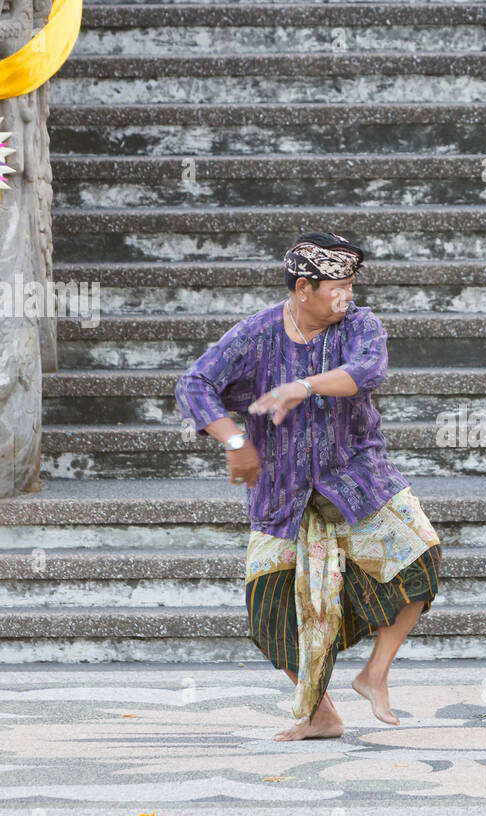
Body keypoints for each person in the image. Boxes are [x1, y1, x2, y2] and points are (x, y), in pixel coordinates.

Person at [173, 232, 442, 741]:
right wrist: (233, 440)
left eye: (351, 284)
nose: (348, 295)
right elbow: (194, 384)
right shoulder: (257, 334)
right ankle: (321, 715)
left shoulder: (360, 324)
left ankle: (375, 674)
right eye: (337, 286)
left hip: (358, 479)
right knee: (268, 614)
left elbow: (367, 370)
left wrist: (304, 385)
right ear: (303, 287)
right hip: (281, 490)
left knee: (421, 559)